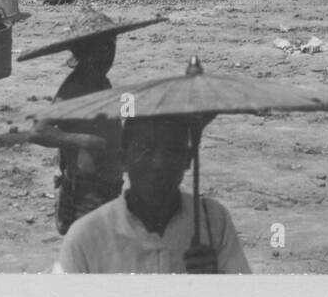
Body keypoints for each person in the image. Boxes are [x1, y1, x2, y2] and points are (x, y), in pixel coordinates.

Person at [24, 10, 165, 234]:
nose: (109, 54)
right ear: (85, 51)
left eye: (112, 46)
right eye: (102, 47)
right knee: (91, 250)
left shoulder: (101, 82)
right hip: (86, 192)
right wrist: (82, 140)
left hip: (110, 186)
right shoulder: (74, 87)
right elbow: (38, 131)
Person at [58, 116, 252, 274]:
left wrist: (219, 283)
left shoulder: (213, 222)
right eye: (145, 150)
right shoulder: (86, 237)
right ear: (123, 160)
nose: (159, 164)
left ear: (188, 159)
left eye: (171, 151)